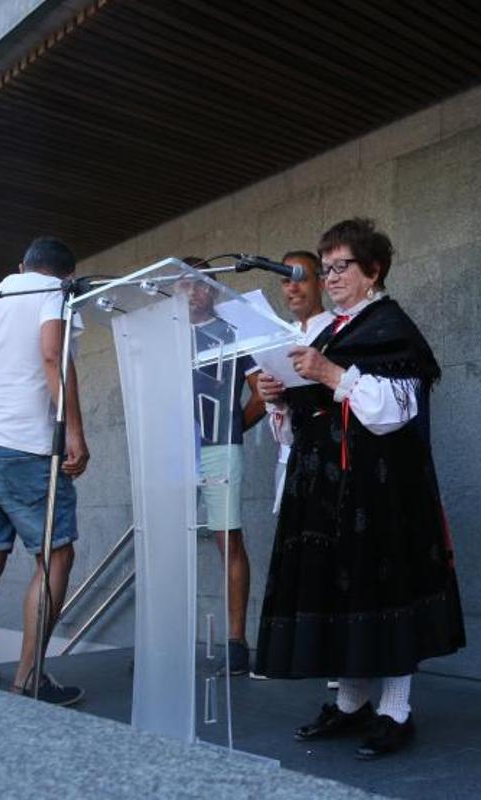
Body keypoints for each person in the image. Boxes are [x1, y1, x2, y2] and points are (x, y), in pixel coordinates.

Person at [254, 218, 464, 759]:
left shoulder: (389, 324)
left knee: (384, 588)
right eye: (326, 269)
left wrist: (329, 374)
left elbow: (395, 411)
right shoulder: (334, 330)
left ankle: (395, 710)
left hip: (381, 488)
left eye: (341, 266)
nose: (331, 277)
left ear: (374, 270)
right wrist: (278, 395)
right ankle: (350, 703)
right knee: (344, 593)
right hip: (326, 488)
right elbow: (310, 410)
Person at [0, 236, 89, 706]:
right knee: (55, 555)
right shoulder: (52, 293)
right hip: (24, 447)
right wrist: (74, 433)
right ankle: (29, 679)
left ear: (20, 264)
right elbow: (52, 355)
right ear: (67, 275)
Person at [181, 258, 265, 677]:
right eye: (183, 284)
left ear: (213, 291)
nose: (192, 292)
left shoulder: (231, 332)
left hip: (218, 448)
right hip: (169, 453)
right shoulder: (163, 338)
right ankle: (165, 640)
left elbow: (262, 392)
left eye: (200, 285)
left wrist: (233, 427)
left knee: (228, 538)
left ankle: (236, 641)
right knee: (165, 545)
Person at [260, 251, 335, 517]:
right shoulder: (279, 339)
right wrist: (275, 400)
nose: (292, 286)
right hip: (291, 458)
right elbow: (284, 435)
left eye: (300, 278)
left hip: (332, 460)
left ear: (322, 282)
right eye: (284, 280)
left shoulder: (339, 330)